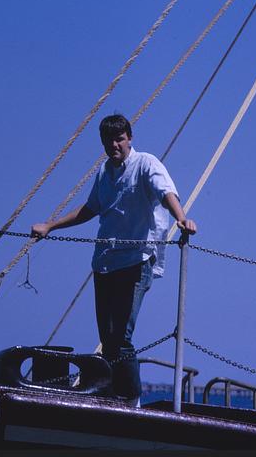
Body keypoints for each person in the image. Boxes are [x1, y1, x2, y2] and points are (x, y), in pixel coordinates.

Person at [31, 114, 197, 404]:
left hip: (136, 259)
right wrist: (50, 225)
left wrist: (182, 219)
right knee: (108, 340)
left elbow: (166, 191)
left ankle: (131, 400)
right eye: (109, 140)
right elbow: (90, 209)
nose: (115, 145)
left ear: (129, 138)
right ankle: (110, 398)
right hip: (105, 262)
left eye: (119, 139)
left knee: (121, 339)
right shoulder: (103, 173)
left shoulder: (146, 164)